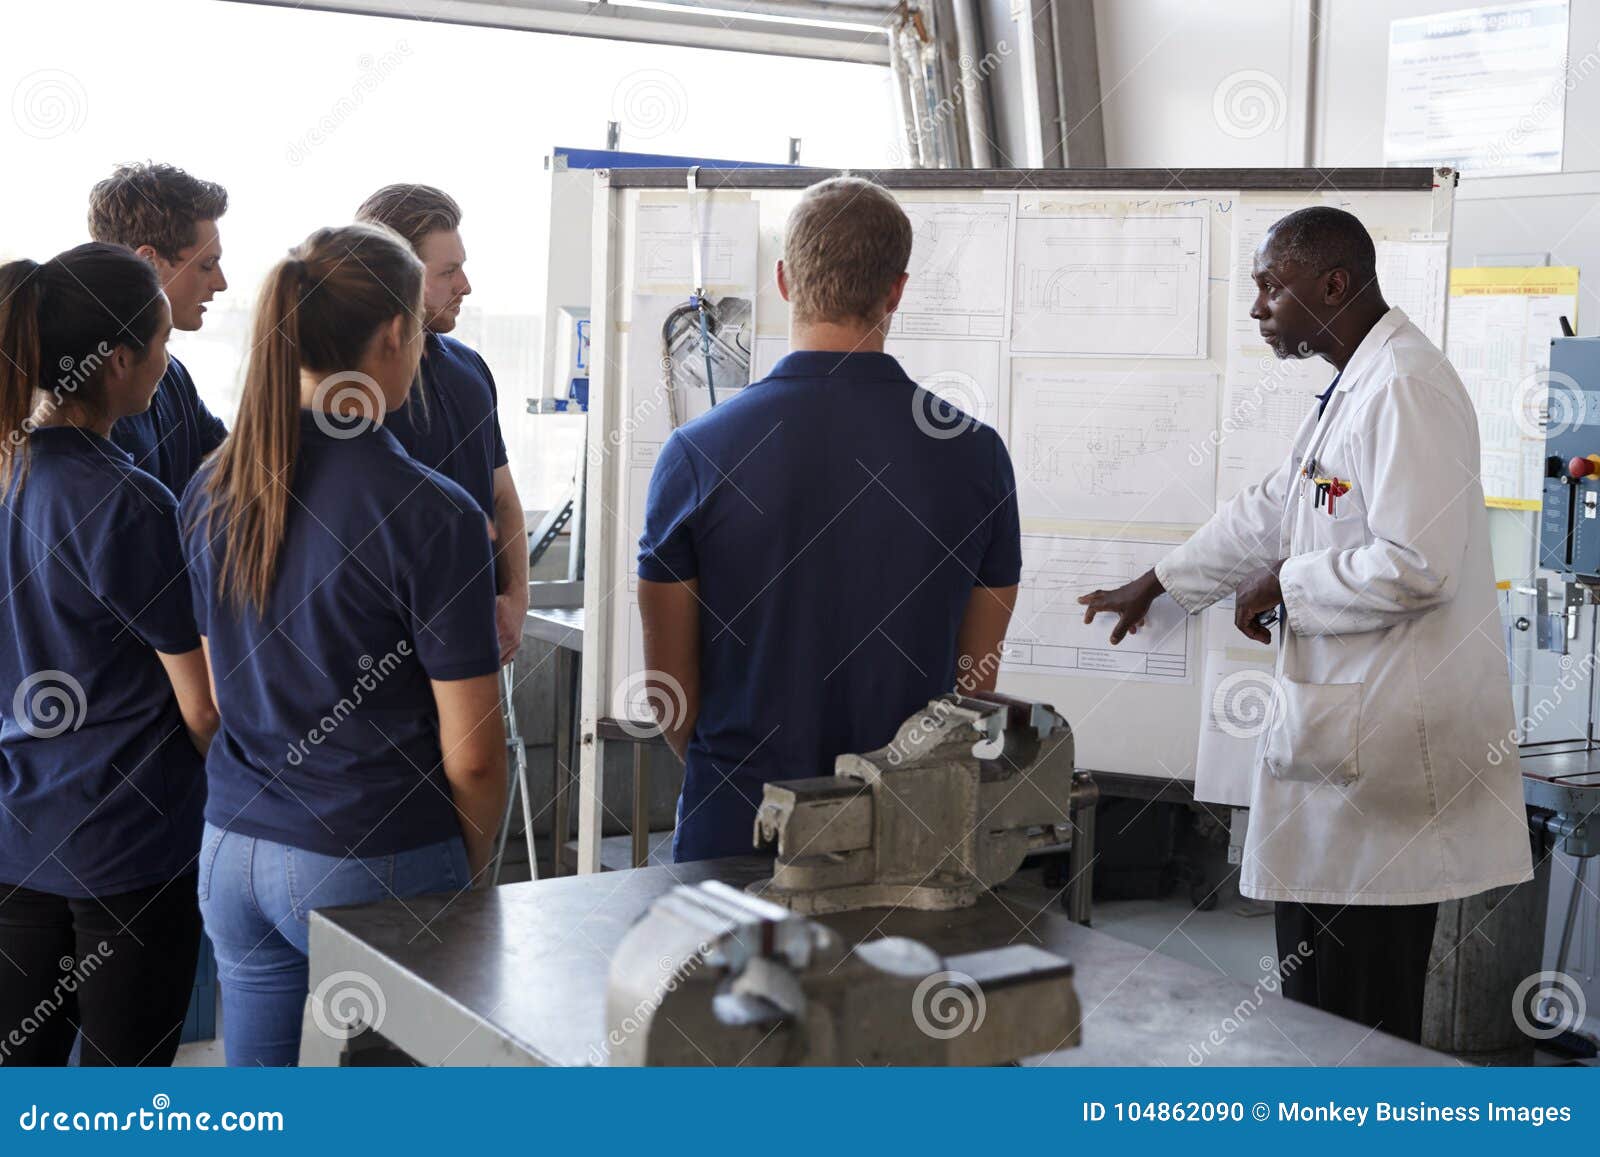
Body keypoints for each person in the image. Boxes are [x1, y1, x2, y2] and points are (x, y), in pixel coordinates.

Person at [1079, 205, 1532, 1043]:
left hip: (1391, 764)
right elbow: (1275, 508)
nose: (1258, 309)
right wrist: (1163, 580)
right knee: (1320, 1010)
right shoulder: (1354, 385)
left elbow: (1418, 563)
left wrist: (1287, 584)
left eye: (1269, 287)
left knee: (1364, 1017)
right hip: (1346, 761)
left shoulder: (1403, 387)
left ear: (1333, 283)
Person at [181, 223, 507, 1066]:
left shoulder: (213, 487)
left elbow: (216, 697)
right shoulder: (431, 512)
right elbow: (474, 754)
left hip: (233, 848)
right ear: (397, 336)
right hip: (370, 855)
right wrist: (468, 876)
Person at [635, 177, 1022, 863]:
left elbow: (671, 695)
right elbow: (975, 680)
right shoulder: (975, 454)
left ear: (784, 280)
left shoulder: (696, 455)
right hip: (906, 829)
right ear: (896, 290)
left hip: (738, 826)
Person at [0, 243, 218, 1065]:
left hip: (18, 833)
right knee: (125, 1094)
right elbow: (201, 705)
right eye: (163, 344)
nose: (169, 365)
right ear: (119, 360)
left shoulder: (9, 473)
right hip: (128, 847)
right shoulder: (126, 501)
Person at [355, 185, 528, 664]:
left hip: (475, 644)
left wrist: (516, 601)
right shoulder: (351, 393)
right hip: (382, 659)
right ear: (394, 276)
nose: (466, 285)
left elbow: (503, 498)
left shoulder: (470, 370)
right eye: (448, 272)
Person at [88, 162, 230, 496]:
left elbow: (224, 459)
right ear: (148, 262)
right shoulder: (85, 394)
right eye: (207, 265)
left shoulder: (171, 372)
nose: (221, 283)